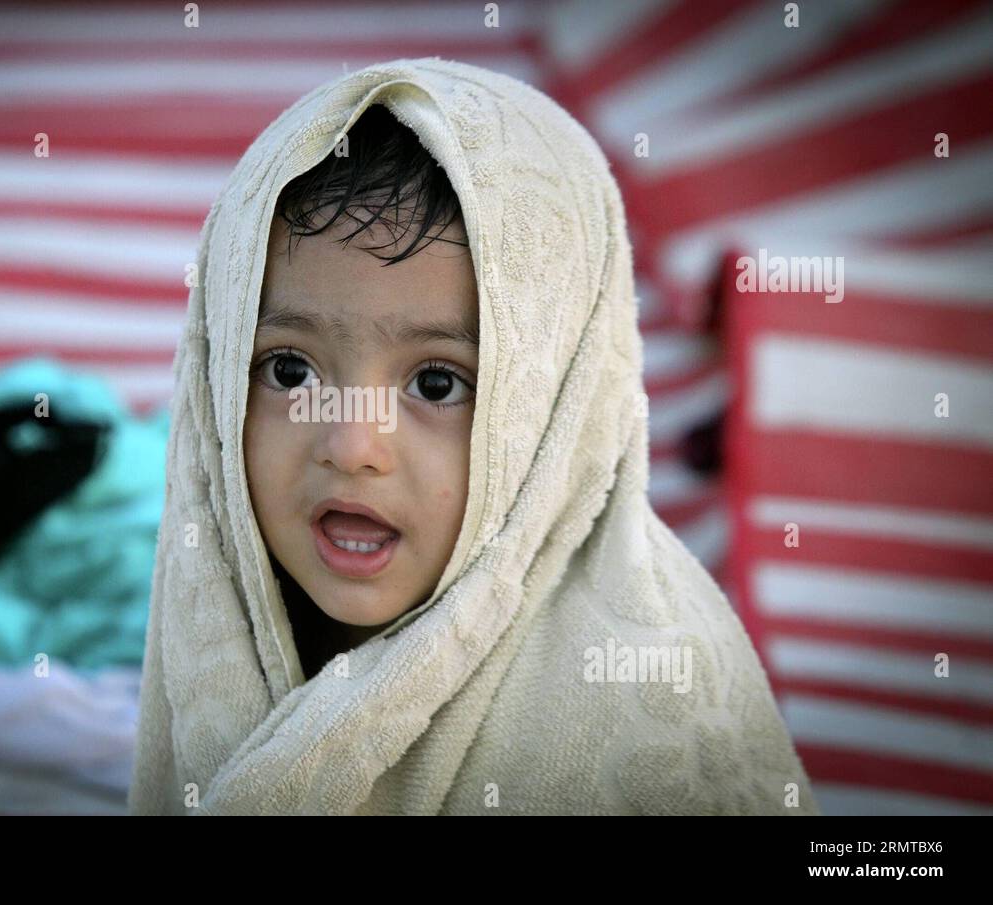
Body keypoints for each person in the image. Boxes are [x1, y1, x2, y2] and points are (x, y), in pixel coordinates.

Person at [129, 58, 819, 815]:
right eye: (290, 371)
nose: (354, 445)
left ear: (553, 405)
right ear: (217, 372)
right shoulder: (219, 614)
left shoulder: (648, 698)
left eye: (436, 384)